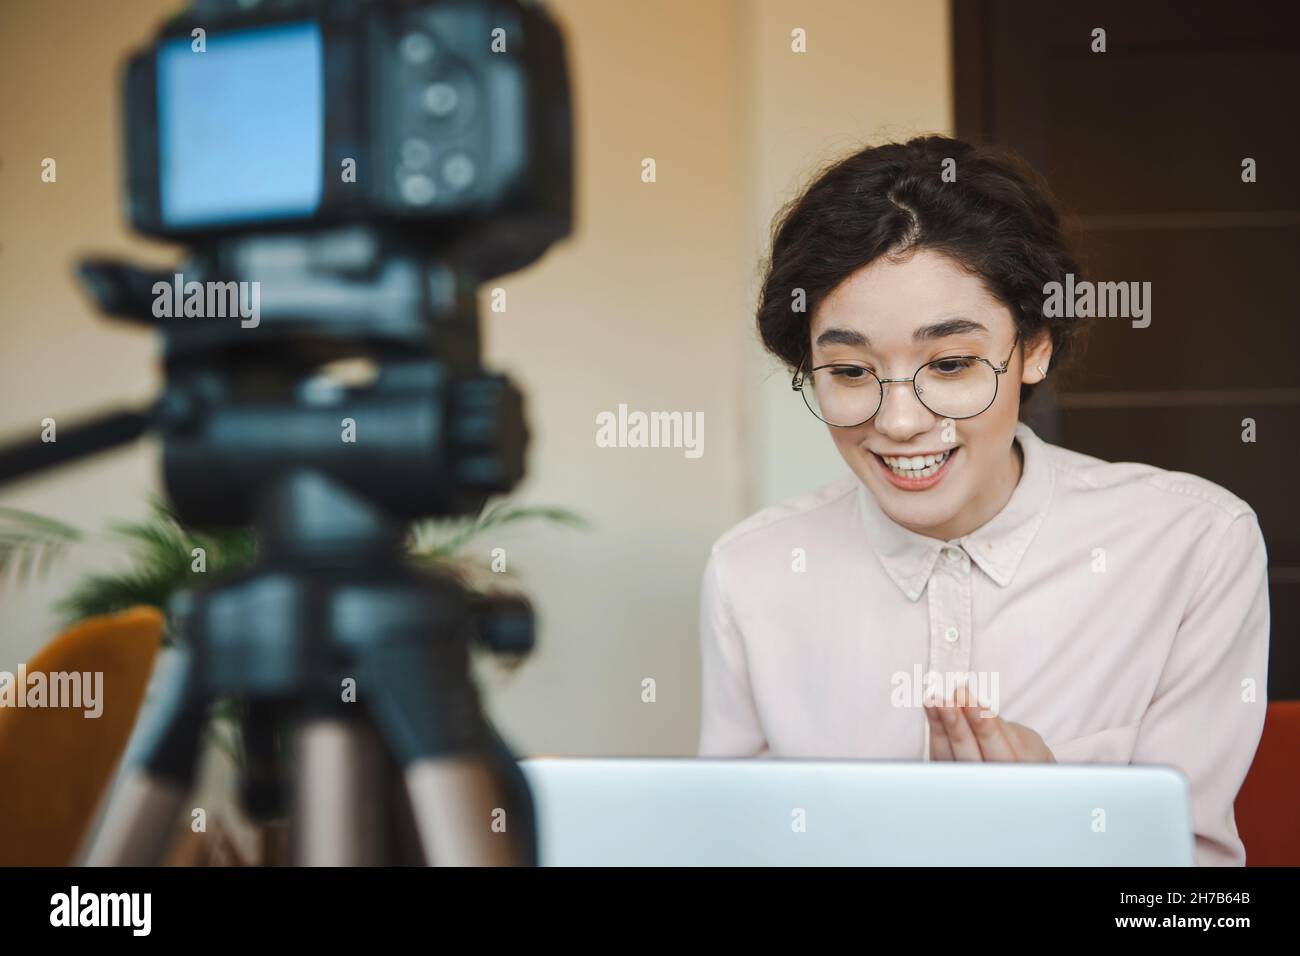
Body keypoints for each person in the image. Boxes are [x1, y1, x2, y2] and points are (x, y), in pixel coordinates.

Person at [698, 135, 1270, 866]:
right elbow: (728, 844)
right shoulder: (754, 572)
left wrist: (1063, 824)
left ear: (1033, 344)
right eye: (847, 369)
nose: (900, 420)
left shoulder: (1193, 545)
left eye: (951, 364)